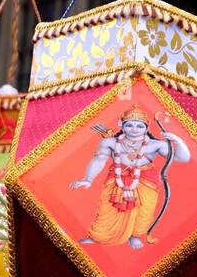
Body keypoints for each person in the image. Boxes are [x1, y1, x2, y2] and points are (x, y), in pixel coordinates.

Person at [70, 105, 190, 248]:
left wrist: (179, 142)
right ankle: (98, 236)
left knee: (144, 209)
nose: (134, 129)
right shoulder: (110, 142)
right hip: (117, 178)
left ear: (146, 128)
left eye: (140, 126)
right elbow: (99, 159)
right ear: (122, 125)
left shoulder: (155, 145)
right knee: (108, 208)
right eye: (130, 125)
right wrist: (88, 178)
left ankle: (135, 236)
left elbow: (182, 158)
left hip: (145, 179)